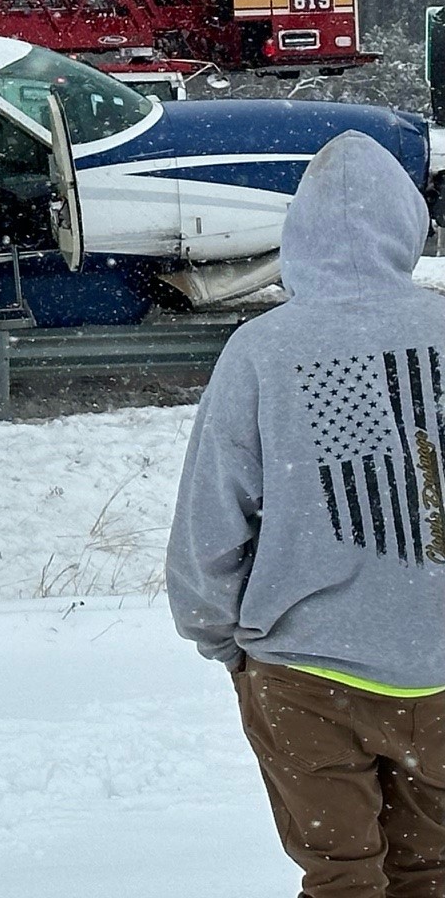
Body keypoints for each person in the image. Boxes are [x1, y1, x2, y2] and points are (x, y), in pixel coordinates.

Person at [169, 129, 445, 898]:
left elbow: (211, 521)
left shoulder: (262, 351)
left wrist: (222, 641)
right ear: (409, 223)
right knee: (432, 873)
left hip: (304, 674)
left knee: (342, 879)